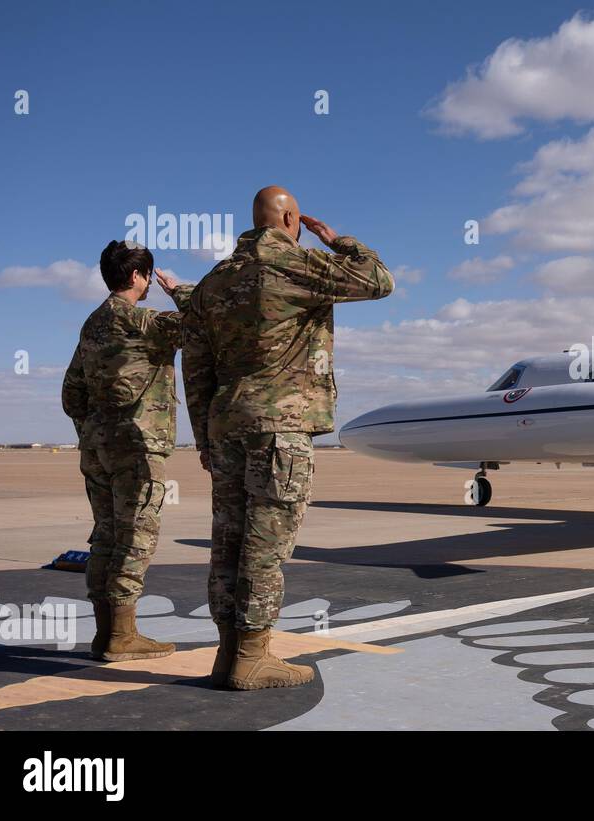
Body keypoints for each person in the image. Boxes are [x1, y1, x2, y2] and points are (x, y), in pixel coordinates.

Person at [183, 186, 394, 690]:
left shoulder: (212, 282)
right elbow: (379, 282)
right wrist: (341, 241)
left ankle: (228, 653)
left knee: (228, 543)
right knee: (265, 544)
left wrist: (205, 440)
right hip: (280, 426)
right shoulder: (294, 262)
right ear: (292, 218)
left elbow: (195, 367)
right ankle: (253, 656)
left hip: (226, 424)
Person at [61, 240, 195, 661]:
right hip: (137, 446)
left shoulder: (92, 324)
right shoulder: (145, 322)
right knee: (136, 536)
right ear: (138, 277)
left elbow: (71, 393)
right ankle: (122, 636)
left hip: (96, 447)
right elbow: (206, 324)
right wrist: (180, 292)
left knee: (106, 534)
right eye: (148, 276)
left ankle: (106, 633)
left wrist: (95, 428)